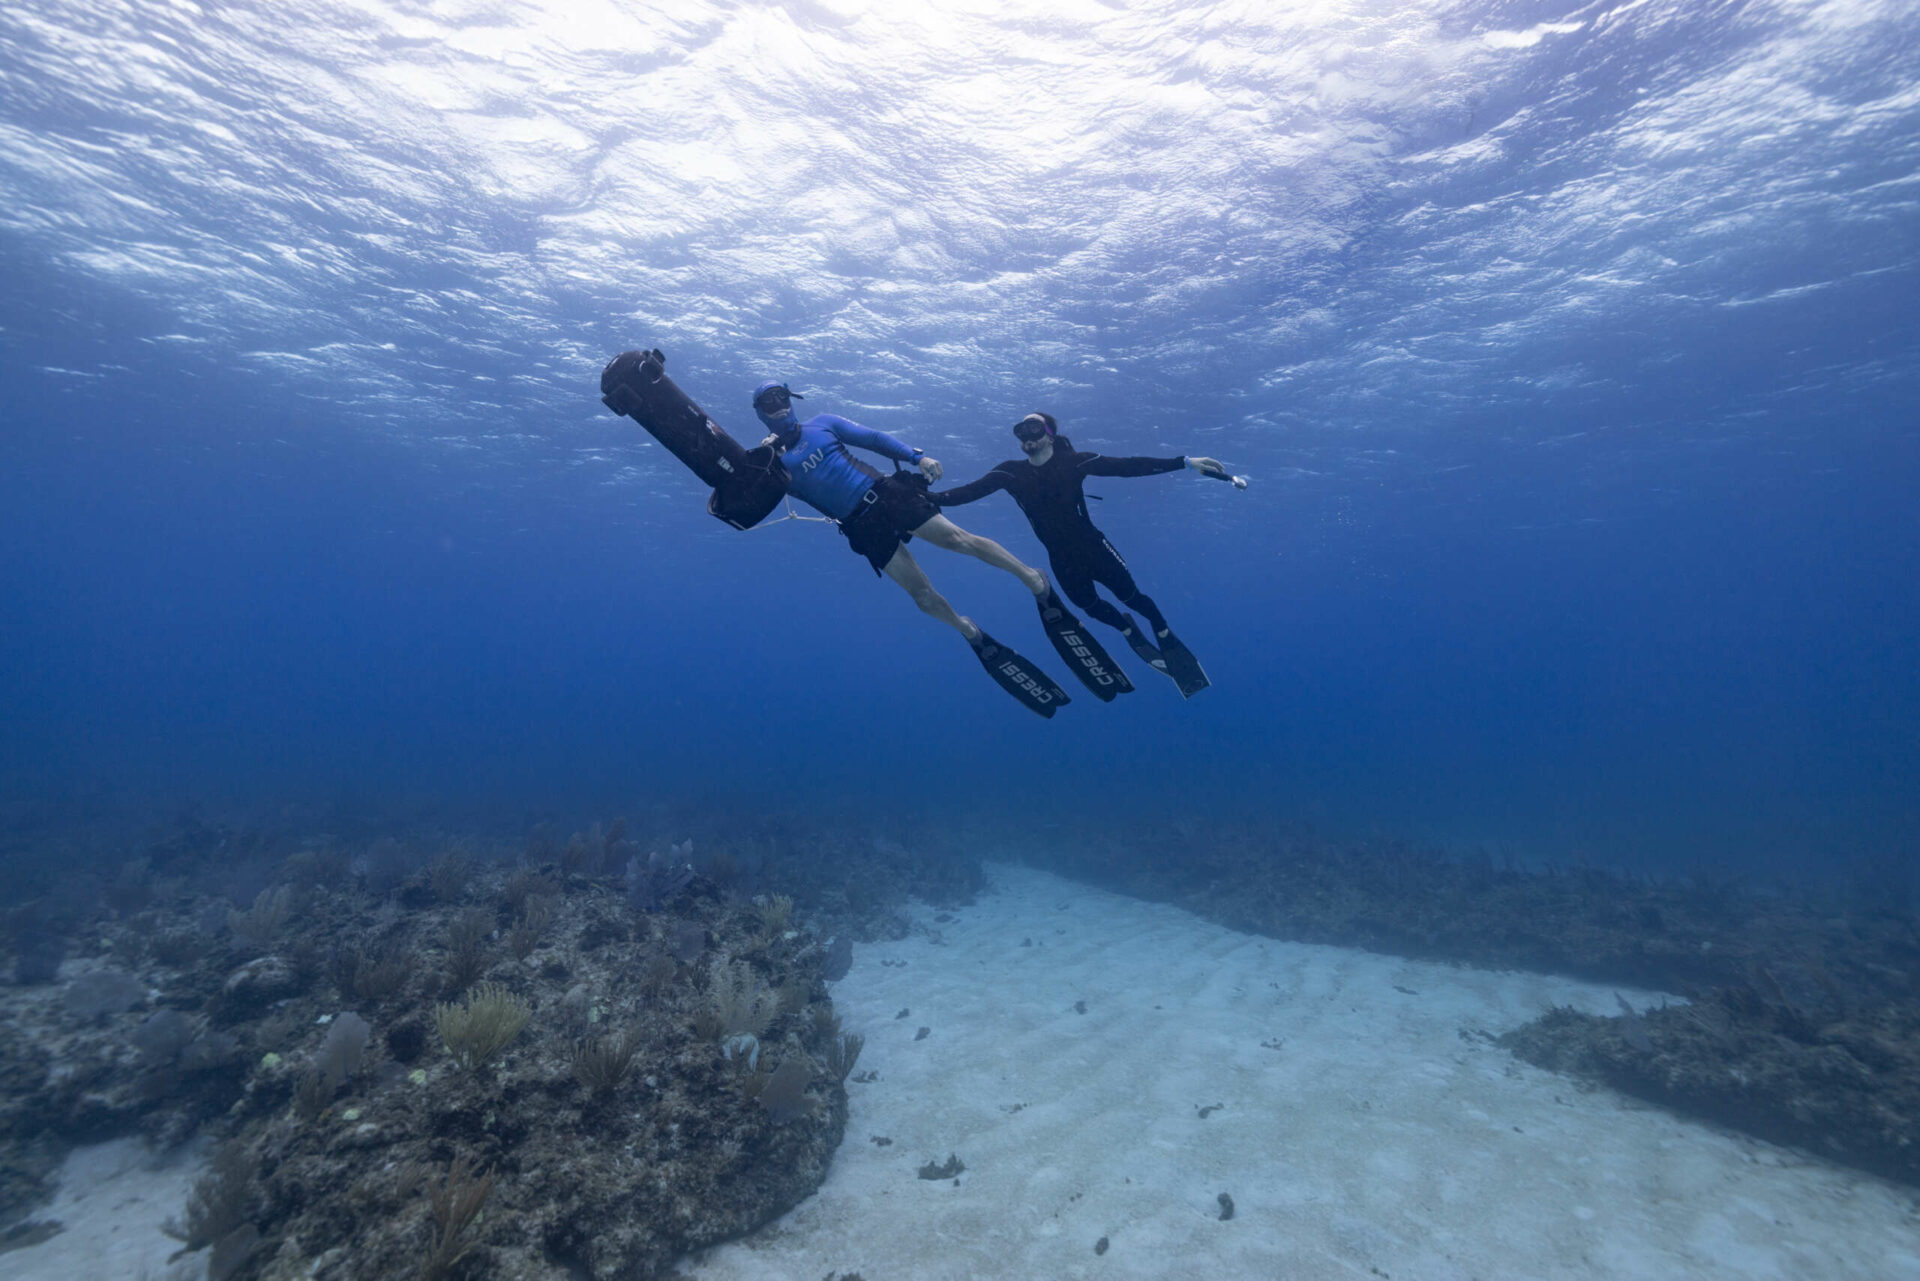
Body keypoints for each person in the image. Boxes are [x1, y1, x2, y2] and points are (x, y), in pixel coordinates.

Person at [751, 381, 1076, 716]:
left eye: (782, 397)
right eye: (768, 402)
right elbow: (754, 499)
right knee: (922, 597)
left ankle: (1033, 579)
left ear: (792, 400)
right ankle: (970, 631)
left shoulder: (823, 423)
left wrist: (917, 457)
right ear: (760, 412)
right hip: (860, 527)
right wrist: (765, 462)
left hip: (886, 495)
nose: (778, 405)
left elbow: (874, 439)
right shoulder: (770, 463)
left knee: (957, 539)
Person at [929, 411, 1245, 696]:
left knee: (1132, 597)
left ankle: (1161, 628)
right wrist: (922, 499)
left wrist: (1185, 462)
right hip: (1062, 560)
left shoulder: (1075, 462)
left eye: (1034, 427)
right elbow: (965, 493)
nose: (1027, 435)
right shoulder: (1009, 474)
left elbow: (1129, 466)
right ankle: (1127, 629)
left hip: (1095, 548)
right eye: (1020, 430)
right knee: (1090, 608)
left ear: (1049, 433)